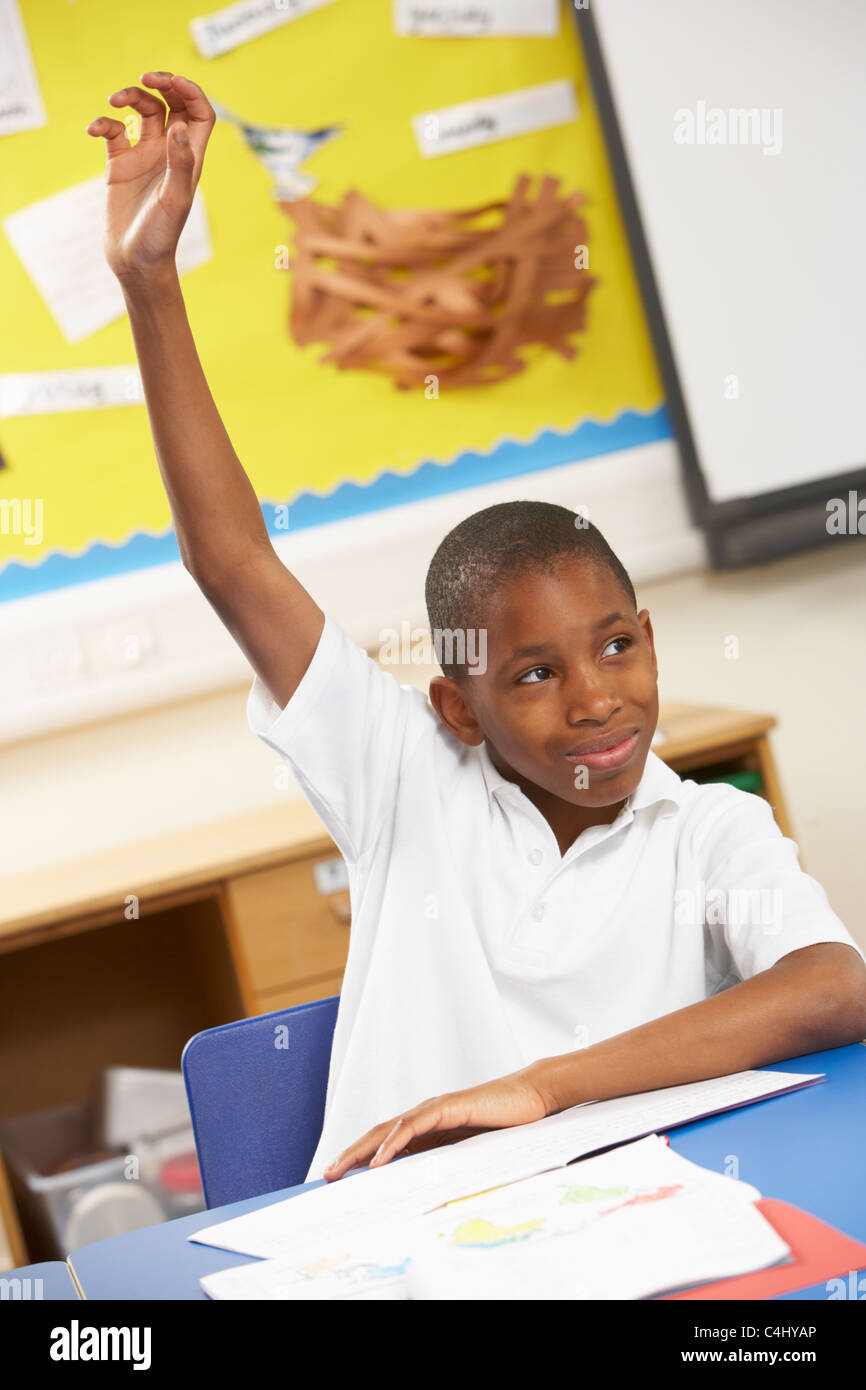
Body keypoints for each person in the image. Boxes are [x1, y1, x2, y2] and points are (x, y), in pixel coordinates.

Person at [88, 73, 866, 1186]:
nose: (596, 699)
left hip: (612, 1241)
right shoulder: (403, 780)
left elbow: (831, 987)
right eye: (534, 672)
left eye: (614, 646)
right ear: (454, 704)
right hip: (389, 1253)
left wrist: (539, 1089)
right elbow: (233, 561)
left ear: (648, 636)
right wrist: (149, 280)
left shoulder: (706, 836)